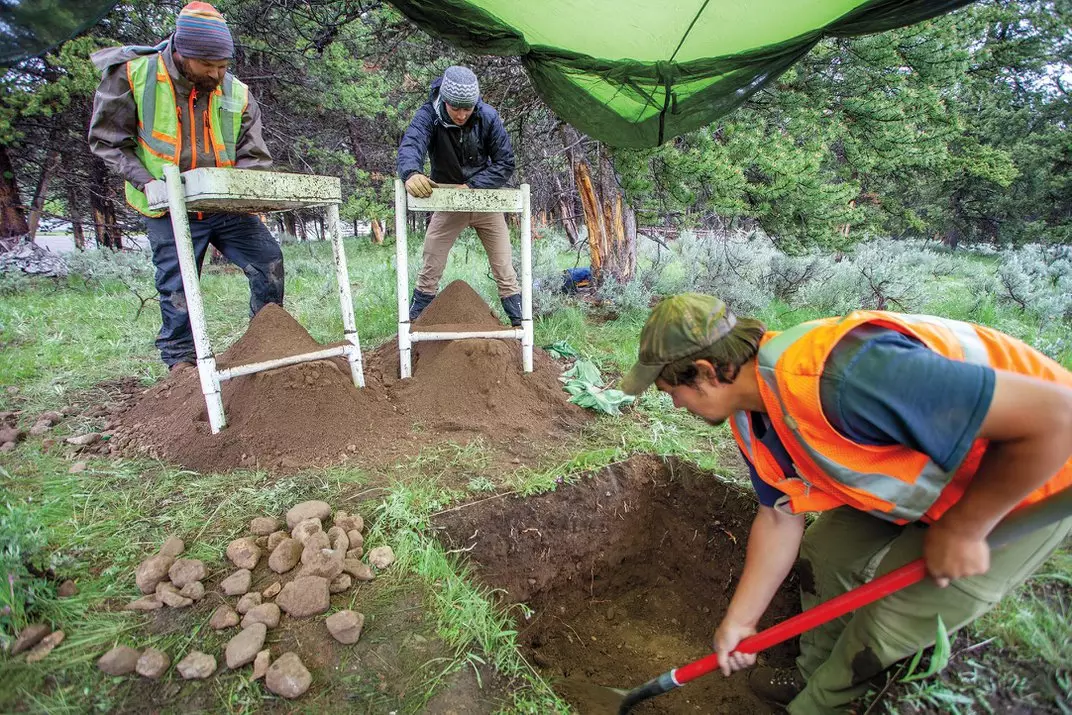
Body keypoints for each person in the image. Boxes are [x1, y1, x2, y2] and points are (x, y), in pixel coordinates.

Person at [621, 294, 1072, 714]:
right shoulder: (752, 412)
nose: (675, 404)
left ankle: (819, 704)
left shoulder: (846, 377)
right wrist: (740, 622)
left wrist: (964, 529)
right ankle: (807, 675)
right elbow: (779, 517)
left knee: (886, 623)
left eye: (670, 391)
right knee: (827, 553)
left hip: (1028, 482)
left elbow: (1058, 419)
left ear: (705, 371)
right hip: (930, 477)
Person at [88, 2, 283, 372]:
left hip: (224, 205)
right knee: (177, 286)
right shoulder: (134, 75)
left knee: (268, 261)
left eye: (223, 65)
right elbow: (107, 140)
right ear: (182, 54)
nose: (217, 73)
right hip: (167, 204)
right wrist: (146, 182)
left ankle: (268, 345)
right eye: (208, 66)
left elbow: (254, 154)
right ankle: (181, 371)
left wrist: (244, 191)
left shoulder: (236, 92)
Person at [396, 65, 522, 325]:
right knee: (431, 263)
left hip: (484, 200)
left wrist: (474, 186)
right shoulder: (428, 115)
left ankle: (520, 330)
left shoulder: (488, 116)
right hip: (448, 200)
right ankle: (415, 327)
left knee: (504, 268)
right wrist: (411, 173)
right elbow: (412, 144)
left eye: (468, 108)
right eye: (456, 108)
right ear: (445, 100)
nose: (463, 114)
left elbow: (505, 162)